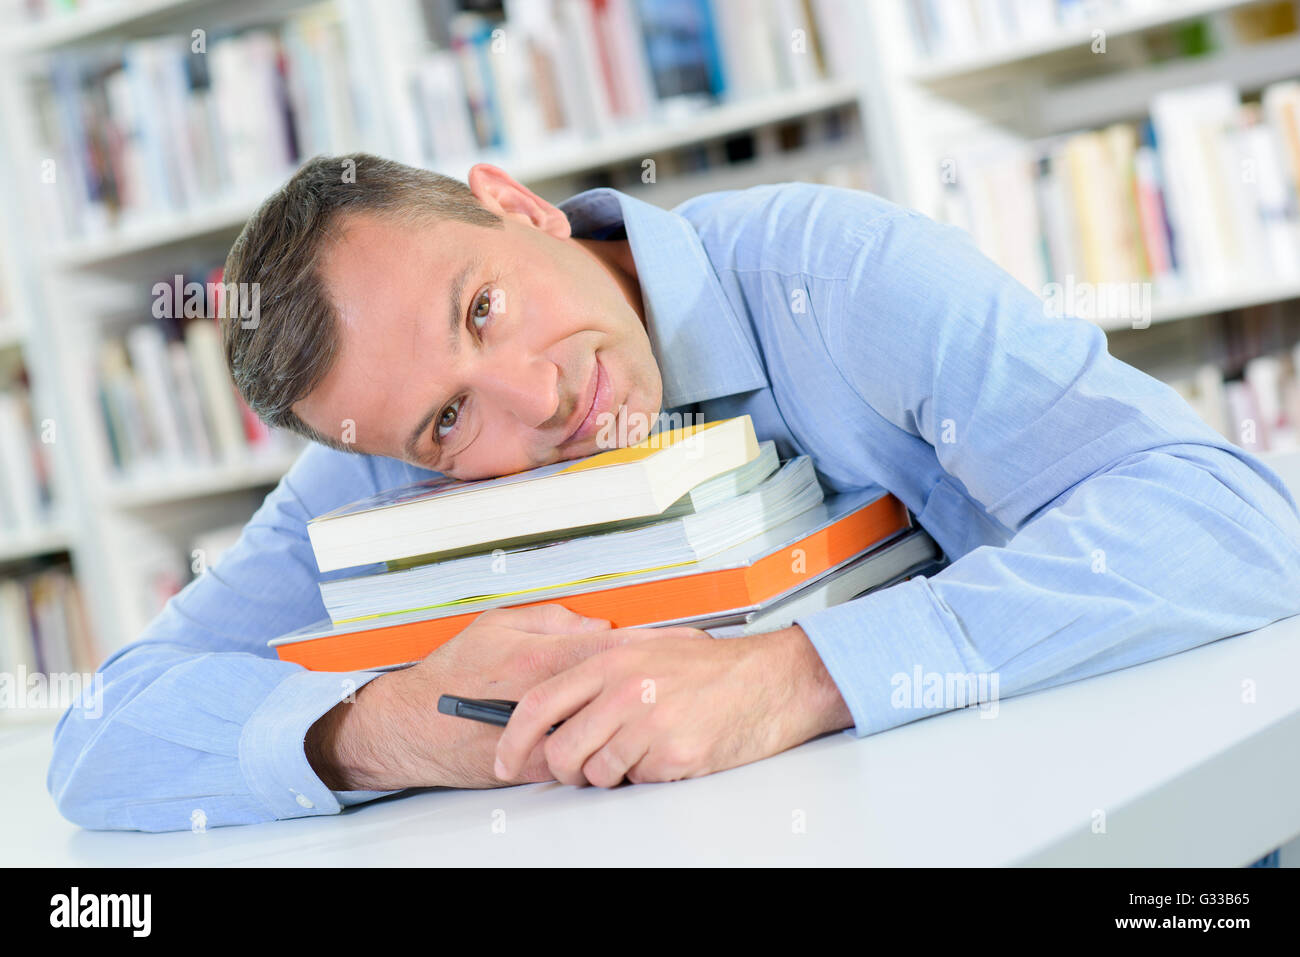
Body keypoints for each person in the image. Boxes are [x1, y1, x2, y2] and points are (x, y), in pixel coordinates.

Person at [48, 153, 1300, 834]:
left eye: (483, 308)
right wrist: (378, 728)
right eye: (448, 418)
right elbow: (105, 732)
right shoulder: (385, 458)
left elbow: (1229, 516)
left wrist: (795, 673)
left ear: (520, 208)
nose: (531, 402)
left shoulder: (830, 271)